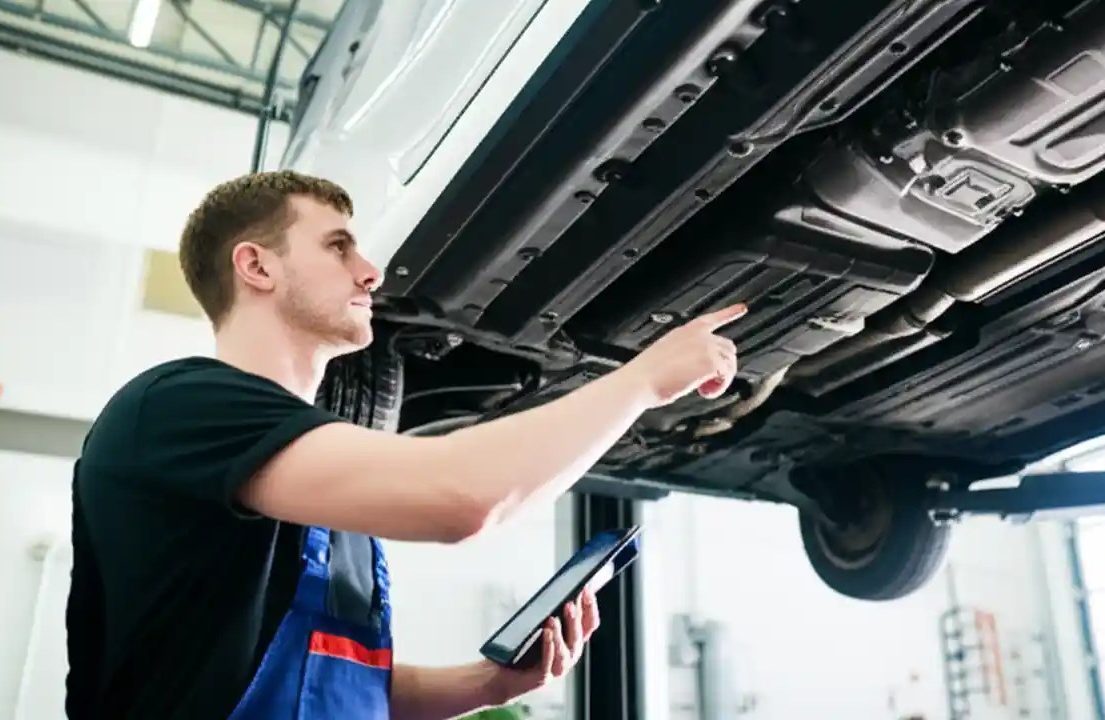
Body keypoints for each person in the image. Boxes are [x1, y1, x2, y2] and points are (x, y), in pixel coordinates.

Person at [66, 170, 746, 719]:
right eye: (338, 246)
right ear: (256, 267)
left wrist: (489, 682)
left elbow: (345, 690)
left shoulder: (328, 492)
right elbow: (465, 499)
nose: (371, 273)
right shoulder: (175, 409)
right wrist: (642, 381)